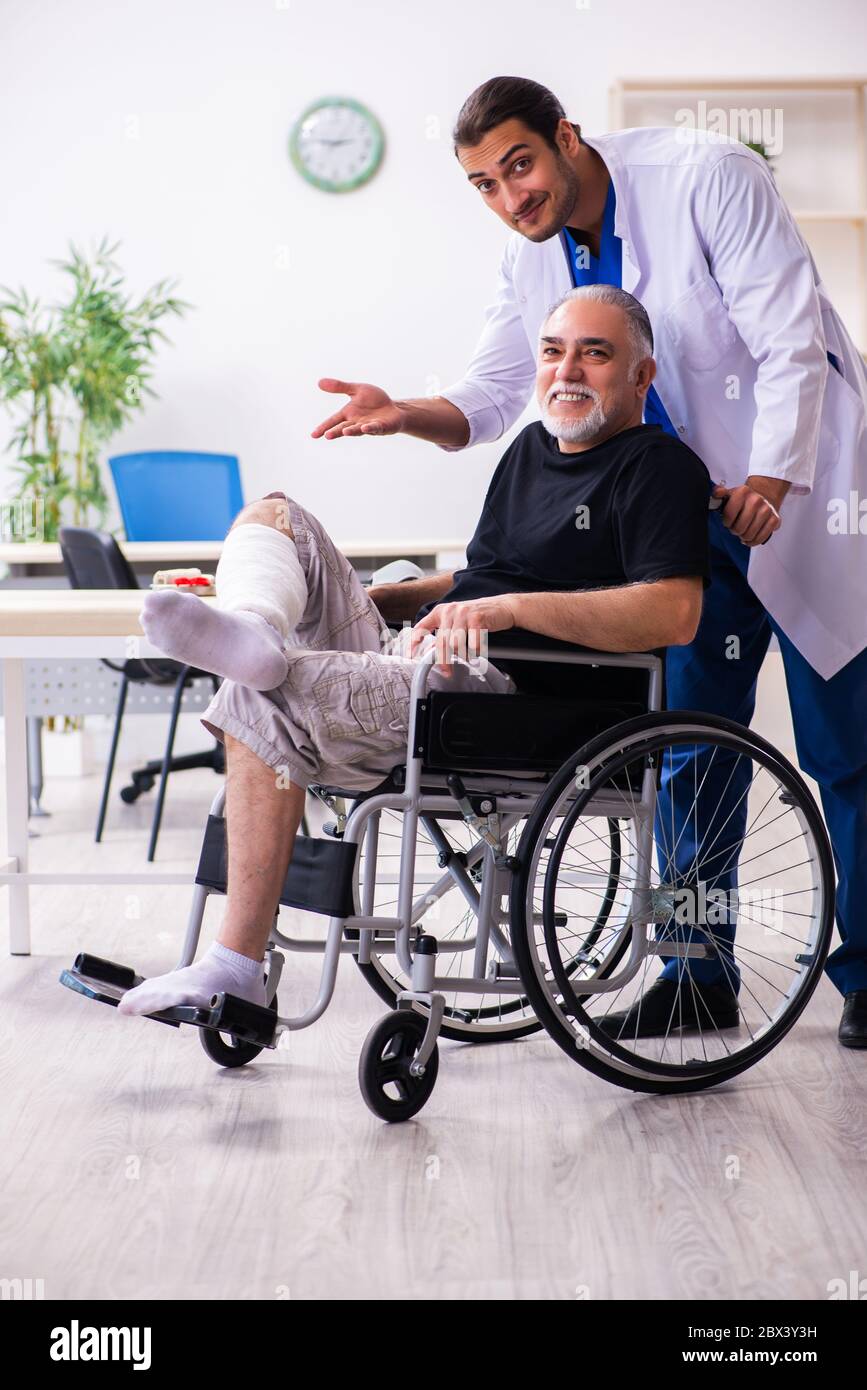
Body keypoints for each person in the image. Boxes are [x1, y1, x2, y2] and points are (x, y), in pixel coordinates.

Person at [311, 76, 867, 1047]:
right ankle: (697, 975)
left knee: (847, 746)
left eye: (520, 165)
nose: (510, 196)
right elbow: (491, 392)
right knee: (685, 745)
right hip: (672, 521)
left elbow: (789, 340)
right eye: (484, 183)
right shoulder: (533, 258)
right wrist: (407, 411)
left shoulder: (708, 177)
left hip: (805, 499)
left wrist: (772, 480)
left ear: (568, 137)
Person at [116, 286, 712, 1020]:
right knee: (275, 513)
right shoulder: (530, 451)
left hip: (519, 694)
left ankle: (234, 965)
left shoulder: (657, 468)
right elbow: (488, 573)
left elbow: (673, 612)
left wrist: (507, 610)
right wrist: (394, 599)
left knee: (258, 693)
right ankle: (257, 624)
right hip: (429, 656)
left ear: (640, 377)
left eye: (595, 354)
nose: (567, 371)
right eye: (553, 352)